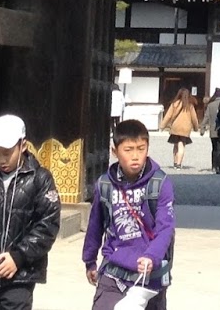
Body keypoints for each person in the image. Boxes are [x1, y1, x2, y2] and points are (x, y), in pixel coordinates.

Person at [0, 113, 63, 309]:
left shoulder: (40, 179)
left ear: (22, 145)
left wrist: (19, 256)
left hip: (20, 276)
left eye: (7, 153)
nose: (2, 160)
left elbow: (48, 224)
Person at [83, 118, 176, 310]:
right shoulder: (105, 185)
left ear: (148, 149)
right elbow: (95, 225)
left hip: (150, 275)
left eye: (141, 149)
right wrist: (90, 260)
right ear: (115, 151)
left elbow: (165, 227)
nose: (135, 156)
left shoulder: (160, 184)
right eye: (128, 150)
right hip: (113, 271)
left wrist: (152, 256)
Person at [160, 88, 198, 170]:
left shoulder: (174, 104)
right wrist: (196, 127)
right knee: (181, 145)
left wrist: (162, 126)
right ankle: (178, 164)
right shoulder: (190, 106)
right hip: (185, 128)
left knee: (175, 145)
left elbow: (168, 116)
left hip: (175, 127)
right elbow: (194, 118)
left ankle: (175, 162)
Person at [201, 88, 220, 173]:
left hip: (213, 130)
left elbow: (206, 117)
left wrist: (202, 128)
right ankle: (218, 166)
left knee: (214, 149)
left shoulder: (210, 105)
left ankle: (213, 166)